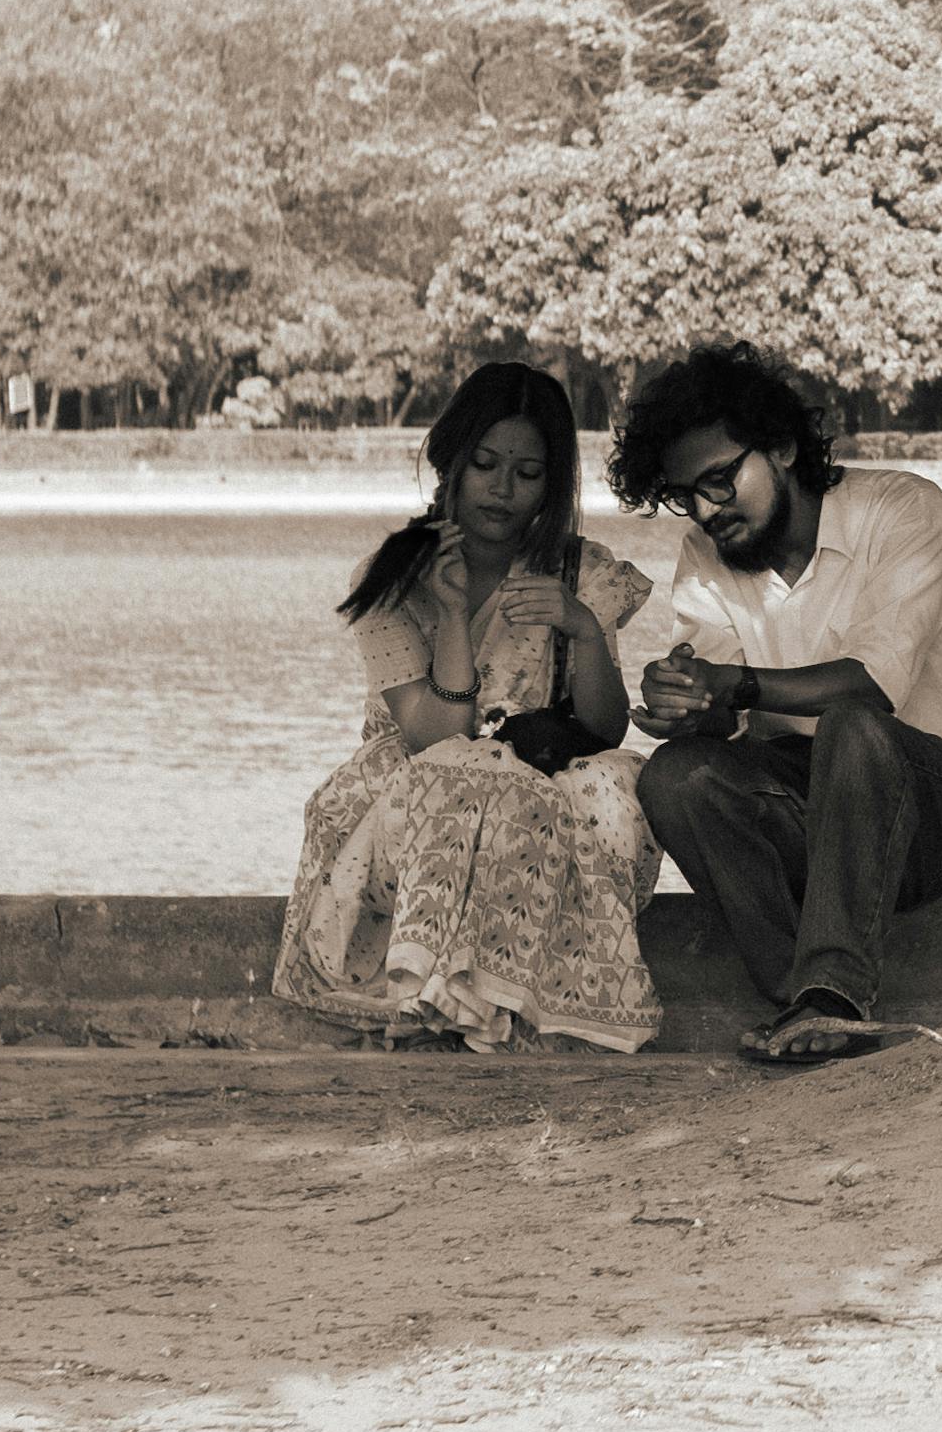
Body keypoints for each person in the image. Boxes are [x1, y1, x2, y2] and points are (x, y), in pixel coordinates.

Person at [608, 344, 942, 1068]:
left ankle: (834, 993)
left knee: (853, 724)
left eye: (721, 480)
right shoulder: (707, 550)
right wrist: (684, 699)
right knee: (671, 774)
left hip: (933, 801)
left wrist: (740, 686)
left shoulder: (902, 508)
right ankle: (800, 995)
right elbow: (718, 698)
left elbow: (872, 684)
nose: (705, 509)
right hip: (797, 802)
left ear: (784, 446)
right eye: (685, 494)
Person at [272, 362, 666, 1051]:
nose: (503, 489)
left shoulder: (583, 572)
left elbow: (604, 728)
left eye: (527, 472)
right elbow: (435, 736)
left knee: (607, 788)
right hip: (420, 789)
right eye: (485, 464)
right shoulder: (392, 576)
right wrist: (451, 615)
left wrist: (581, 626)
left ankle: (503, 996)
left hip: (543, 784)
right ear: (449, 461)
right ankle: (436, 989)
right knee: (464, 776)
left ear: (552, 482)